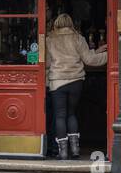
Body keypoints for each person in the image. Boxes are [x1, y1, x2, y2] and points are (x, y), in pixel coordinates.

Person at [44, 14, 107, 160]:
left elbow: (46, 64)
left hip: (58, 81)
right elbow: (89, 59)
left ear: (56, 24)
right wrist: (110, 55)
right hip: (76, 81)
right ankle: (75, 149)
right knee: (71, 114)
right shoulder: (78, 38)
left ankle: (63, 152)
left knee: (60, 115)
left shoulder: (49, 40)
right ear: (71, 23)